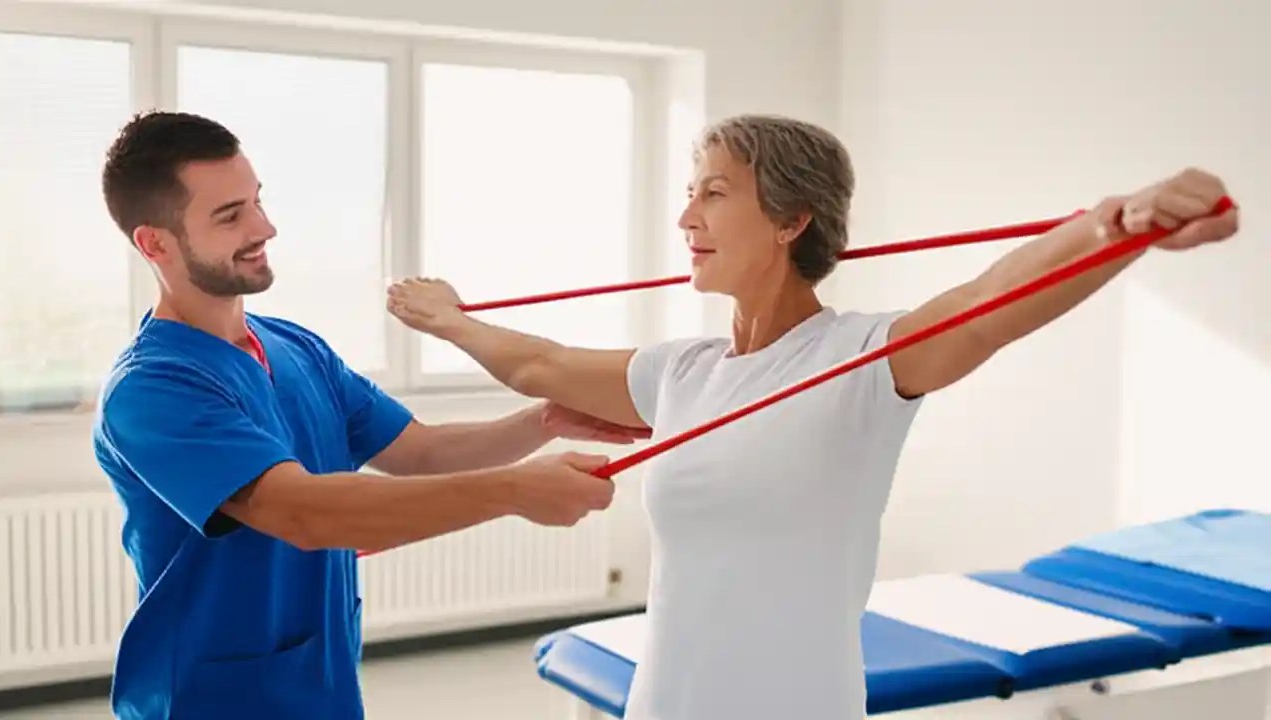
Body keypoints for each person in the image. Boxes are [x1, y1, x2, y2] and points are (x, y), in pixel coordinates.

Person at [385, 114, 1239, 719]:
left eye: (714, 194)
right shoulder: (682, 370)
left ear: (792, 219)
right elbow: (539, 366)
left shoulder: (864, 360)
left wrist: (1112, 226)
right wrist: (450, 318)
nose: (686, 217)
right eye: (689, 194)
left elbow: (986, 304)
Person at [90, 111, 641, 720]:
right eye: (230, 215)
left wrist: (542, 422)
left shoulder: (294, 347)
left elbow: (418, 451)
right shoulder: (153, 387)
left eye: (257, 201)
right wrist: (513, 490)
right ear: (155, 243)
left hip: (317, 684)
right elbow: (303, 512)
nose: (265, 227)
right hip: (211, 699)